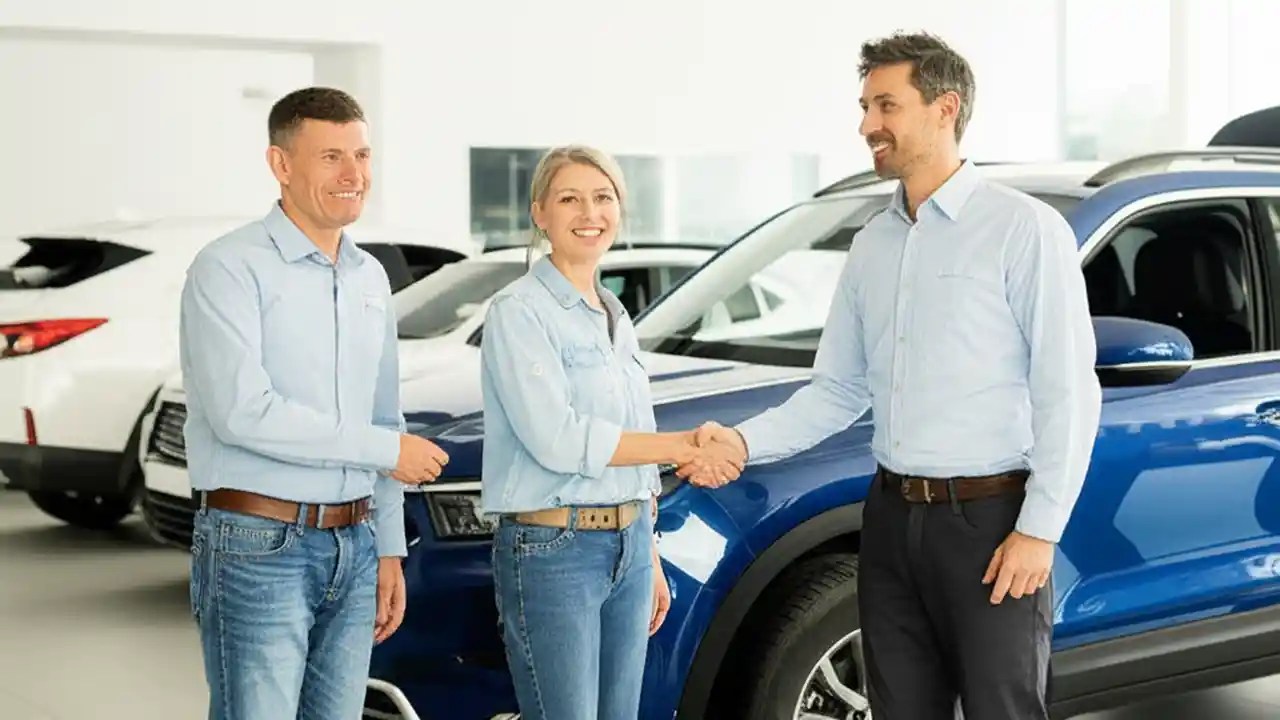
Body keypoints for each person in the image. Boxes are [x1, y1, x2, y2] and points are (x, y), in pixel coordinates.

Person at [687, 32, 1102, 720]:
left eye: (886, 104)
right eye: (864, 106)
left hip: (992, 523)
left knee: (1004, 707)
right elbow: (838, 390)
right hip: (889, 519)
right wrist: (739, 442)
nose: (866, 125)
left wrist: (1040, 530)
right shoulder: (872, 243)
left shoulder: (1022, 230)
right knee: (901, 709)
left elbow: (1067, 388)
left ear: (944, 108)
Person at [179, 86, 451, 720]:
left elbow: (385, 414)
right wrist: (388, 452)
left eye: (361, 154)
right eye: (331, 156)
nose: (353, 174)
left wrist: (387, 545)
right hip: (256, 543)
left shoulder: (369, 276)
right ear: (281, 165)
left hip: (353, 545)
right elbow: (243, 410)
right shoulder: (228, 268)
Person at [479, 145, 742, 720]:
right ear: (540, 213)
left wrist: (644, 546)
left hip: (627, 544)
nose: (589, 212)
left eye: (603, 198)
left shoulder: (613, 314)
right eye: (569, 198)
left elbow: (631, 432)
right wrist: (681, 448)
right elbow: (557, 438)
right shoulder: (519, 311)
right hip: (554, 550)